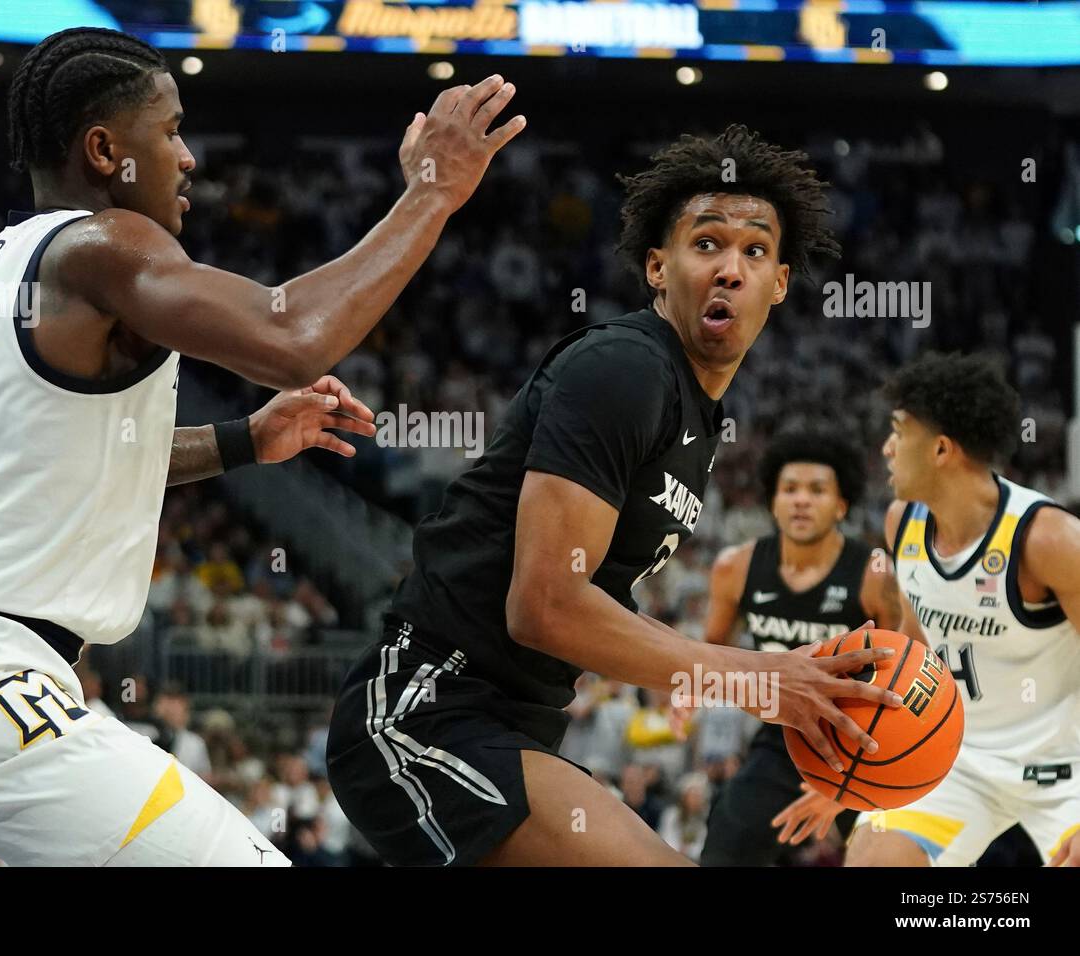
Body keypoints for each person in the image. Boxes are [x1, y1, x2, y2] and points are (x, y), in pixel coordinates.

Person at [0, 26, 523, 867]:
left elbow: (81, 457)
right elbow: (295, 333)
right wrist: (431, 193)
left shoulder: (10, 261)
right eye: (172, 130)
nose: (188, 157)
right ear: (104, 148)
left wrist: (243, 440)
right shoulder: (106, 244)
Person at [326, 125, 904, 866]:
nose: (730, 268)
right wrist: (758, 677)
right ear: (658, 268)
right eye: (707, 244)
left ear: (781, 283)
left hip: (516, 726)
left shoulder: (698, 414)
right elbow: (544, 606)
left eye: (754, 251)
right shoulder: (625, 368)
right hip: (423, 715)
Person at [772, 354, 1080, 867]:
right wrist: (852, 774)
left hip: (1067, 770)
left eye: (898, 432)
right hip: (954, 760)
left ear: (940, 449)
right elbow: (911, 651)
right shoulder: (902, 524)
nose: (886, 448)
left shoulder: (1050, 540)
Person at [697, 427, 922, 865]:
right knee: (727, 839)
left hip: (869, 740)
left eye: (817, 490)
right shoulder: (734, 568)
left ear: (841, 505)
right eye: (790, 489)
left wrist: (850, 786)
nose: (801, 499)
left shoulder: (875, 574)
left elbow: (907, 676)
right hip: (785, 738)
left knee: (885, 855)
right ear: (772, 500)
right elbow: (714, 658)